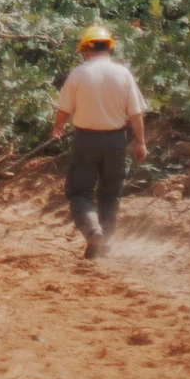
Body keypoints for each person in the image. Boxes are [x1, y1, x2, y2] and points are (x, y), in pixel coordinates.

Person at [52, 24, 148, 259]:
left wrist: (58, 127)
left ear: (85, 50)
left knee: (79, 192)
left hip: (86, 141)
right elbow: (136, 114)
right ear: (109, 48)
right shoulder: (123, 74)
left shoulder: (79, 74)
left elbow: (64, 110)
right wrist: (140, 142)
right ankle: (105, 243)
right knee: (110, 194)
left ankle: (93, 231)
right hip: (116, 141)